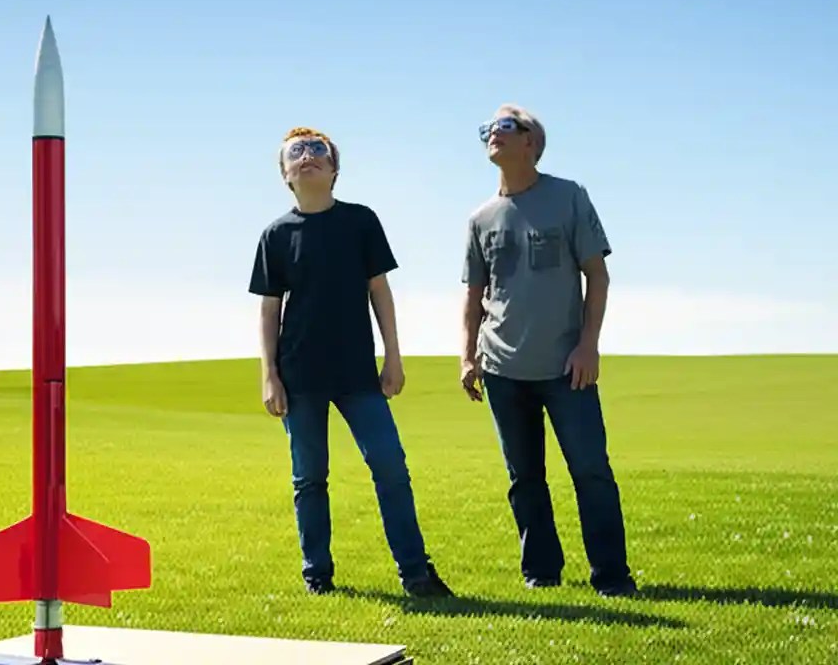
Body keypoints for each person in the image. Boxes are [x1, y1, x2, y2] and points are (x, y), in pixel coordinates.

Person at [248, 126, 454, 598]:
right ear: (286, 174)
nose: (307, 157)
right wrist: (269, 375)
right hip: (298, 377)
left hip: (359, 374)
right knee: (309, 479)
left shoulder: (361, 221)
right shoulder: (275, 235)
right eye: (295, 153)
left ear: (335, 169)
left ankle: (416, 573)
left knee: (390, 468)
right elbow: (268, 308)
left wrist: (394, 358)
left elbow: (379, 291)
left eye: (318, 150)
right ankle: (317, 575)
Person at [459, 104, 638, 597]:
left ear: (532, 143)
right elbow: (473, 296)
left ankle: (612, 576)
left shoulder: (568, 197)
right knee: (524, 479)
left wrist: (588, 345)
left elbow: (597, 275)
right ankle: (541, 572)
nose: (493, 134)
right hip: (501, 368)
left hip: (566, 367)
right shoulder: (479, 218)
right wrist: (469, 357)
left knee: (591, 471)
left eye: (506, 126)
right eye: (488, 128)